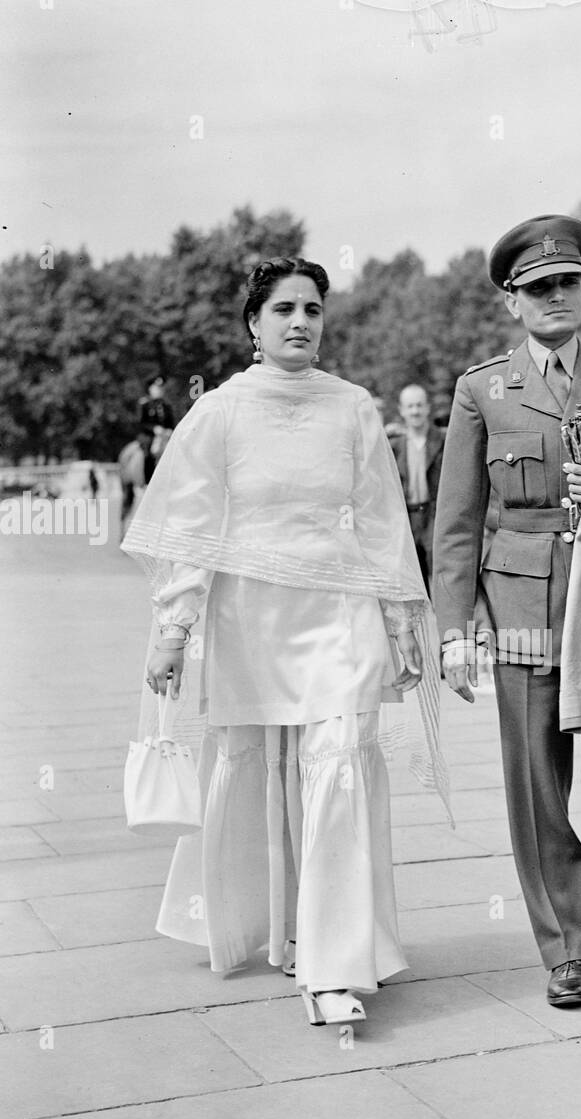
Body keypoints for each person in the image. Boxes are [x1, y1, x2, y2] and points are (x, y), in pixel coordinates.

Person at [122, 257, 448, 1030]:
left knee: (338, 764)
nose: (301, 321)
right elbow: (194, 525)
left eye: (313, 309)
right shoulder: (221, 412)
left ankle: (336, 963)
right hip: (251, 622)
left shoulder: (356, 409)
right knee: (256, 768)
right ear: (254, 325)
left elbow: (380, 524)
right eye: (284, 310)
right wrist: (174, 630)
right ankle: (266, 926)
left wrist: (403, 625)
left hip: (340, 615)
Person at [433, 214, 581, 1010]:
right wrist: (453, 629)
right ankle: (568, 944)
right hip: (521, 601)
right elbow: (459, 520)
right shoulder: (481, 389)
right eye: (538, 288)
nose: (555, 297)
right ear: (512, 301)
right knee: (537, 782)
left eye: (568, 282)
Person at [390, 383, 446, 589]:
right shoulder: (394, 446)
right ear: (402, 410)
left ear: (428, 408)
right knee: (414, 582)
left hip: (435, 516)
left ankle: (445, 621)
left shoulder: (444, 440)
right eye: (410, 406)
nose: (415, 411)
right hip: (408, 519)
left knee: (441, 578)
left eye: (420, 405)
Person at [117, 427, 154, 540]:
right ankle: (124, 534)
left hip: (146, 485)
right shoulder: (132, 450)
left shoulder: (154, 449)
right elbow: (123, 463)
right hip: (132, 484)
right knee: (128, 508)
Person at [138, 374, 176, 463]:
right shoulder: (144, 404)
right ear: (150, 389)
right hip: (149, 435)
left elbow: (171, 423)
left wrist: (170, 430)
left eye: (161, 388)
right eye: (157, 388)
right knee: (148, 451)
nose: (160, 390)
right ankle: (148, 475)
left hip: (165, 435)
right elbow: (140, 422)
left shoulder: (166, 406)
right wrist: (154, 429)